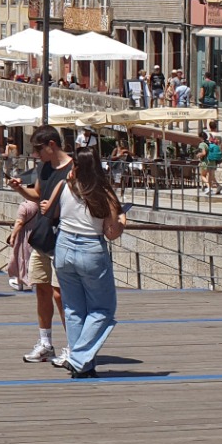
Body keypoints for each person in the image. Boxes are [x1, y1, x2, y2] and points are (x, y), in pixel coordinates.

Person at [54, 149, 126, 377]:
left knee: (74, 309)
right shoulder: (103, 192)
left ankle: (84, 365)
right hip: (90, 249)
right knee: (103, 309)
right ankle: (78, 359)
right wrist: (123, 220)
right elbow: (111, 233)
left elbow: (53, 211)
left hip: (63, 246)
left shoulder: (66, 185)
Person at [7, 126, 72, 365]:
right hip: (42, 236)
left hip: (63, 238)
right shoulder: (44, 167)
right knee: (42, 289)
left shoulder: (73, 169)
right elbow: (37, 194)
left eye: (38, 149)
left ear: (52, 144)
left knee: (60, 294)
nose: (36, 155)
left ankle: (74, 346)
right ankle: (46, 343)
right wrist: (20, 189)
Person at [5, 199, 38, 291]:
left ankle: (21, 281)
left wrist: (12, 236)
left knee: (21, 257)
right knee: (32, 258)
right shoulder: (40, 203)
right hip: (37, 234)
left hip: (24, 235)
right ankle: (32, 280)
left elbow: (19, 222)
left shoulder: (25, 206)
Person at [196, 129, 222, 195]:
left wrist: (198, 155)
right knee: (211, 176)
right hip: (213, 161)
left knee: (203, 175)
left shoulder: (202, 144)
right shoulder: (210, 143)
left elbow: (204, 153)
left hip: (206, 162)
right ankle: (218, 186)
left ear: (200, 137)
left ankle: (209, 188)